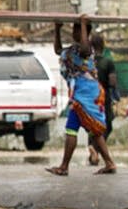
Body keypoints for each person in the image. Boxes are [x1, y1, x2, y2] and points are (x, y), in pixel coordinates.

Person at [47, 19, 117, 176]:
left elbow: (85, 49)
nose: (74, 33)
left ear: (86, 32)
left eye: (77, 30)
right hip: (83, 93)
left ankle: (64, 167)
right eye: (74, 29)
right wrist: (57, 29)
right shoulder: (72, 50)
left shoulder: (88, 50)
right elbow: (58, 50)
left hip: (86, 95)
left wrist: (84, 24)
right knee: (95, 131)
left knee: (72, 129)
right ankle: (110, 163)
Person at [88, 32, 118, 166]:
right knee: (108, 126)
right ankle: (95, 149)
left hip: (89, 98)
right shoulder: (108, 62)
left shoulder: (88, 62)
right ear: (103, 44)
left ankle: (93, 151)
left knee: (92, 125)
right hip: (103, 98)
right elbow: (112, 82)